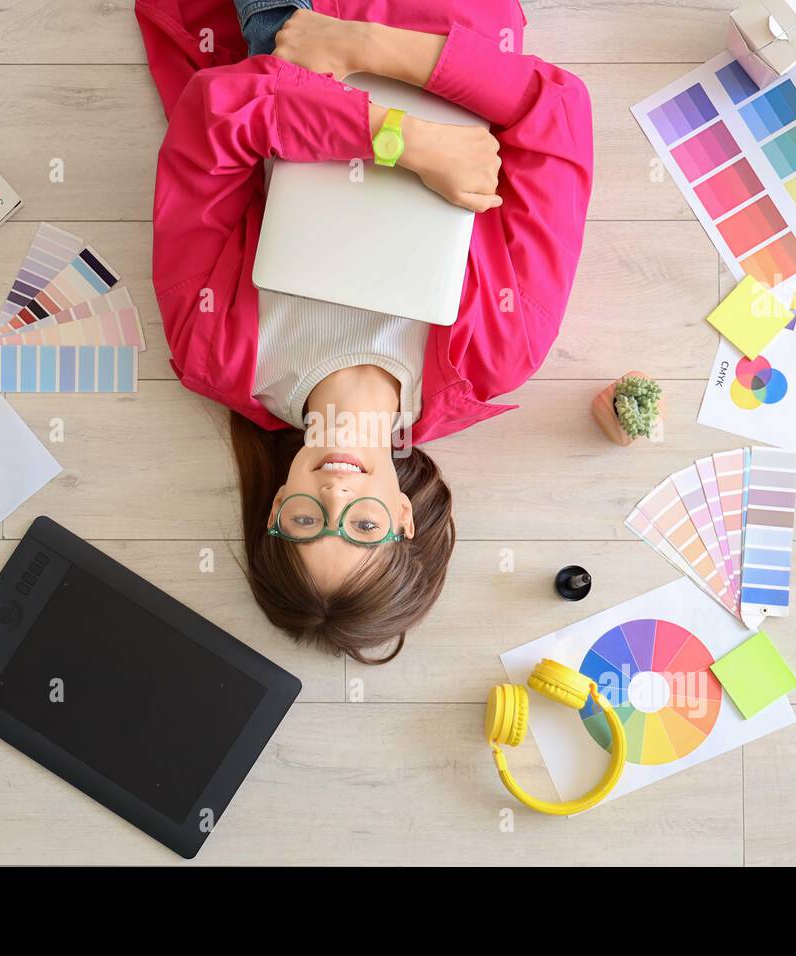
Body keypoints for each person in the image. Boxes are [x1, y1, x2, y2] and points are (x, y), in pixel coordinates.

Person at [135, 0, 593, 663]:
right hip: (447, 24)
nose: (335, 494)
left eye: (305, 522)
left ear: (275, 513)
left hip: (293, 21)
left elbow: (216, 114)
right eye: (363, 525)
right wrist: (368, 49)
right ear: (403, 519)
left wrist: (398, 139)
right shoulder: (496, 350)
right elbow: (554, 111)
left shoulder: (216, 351)